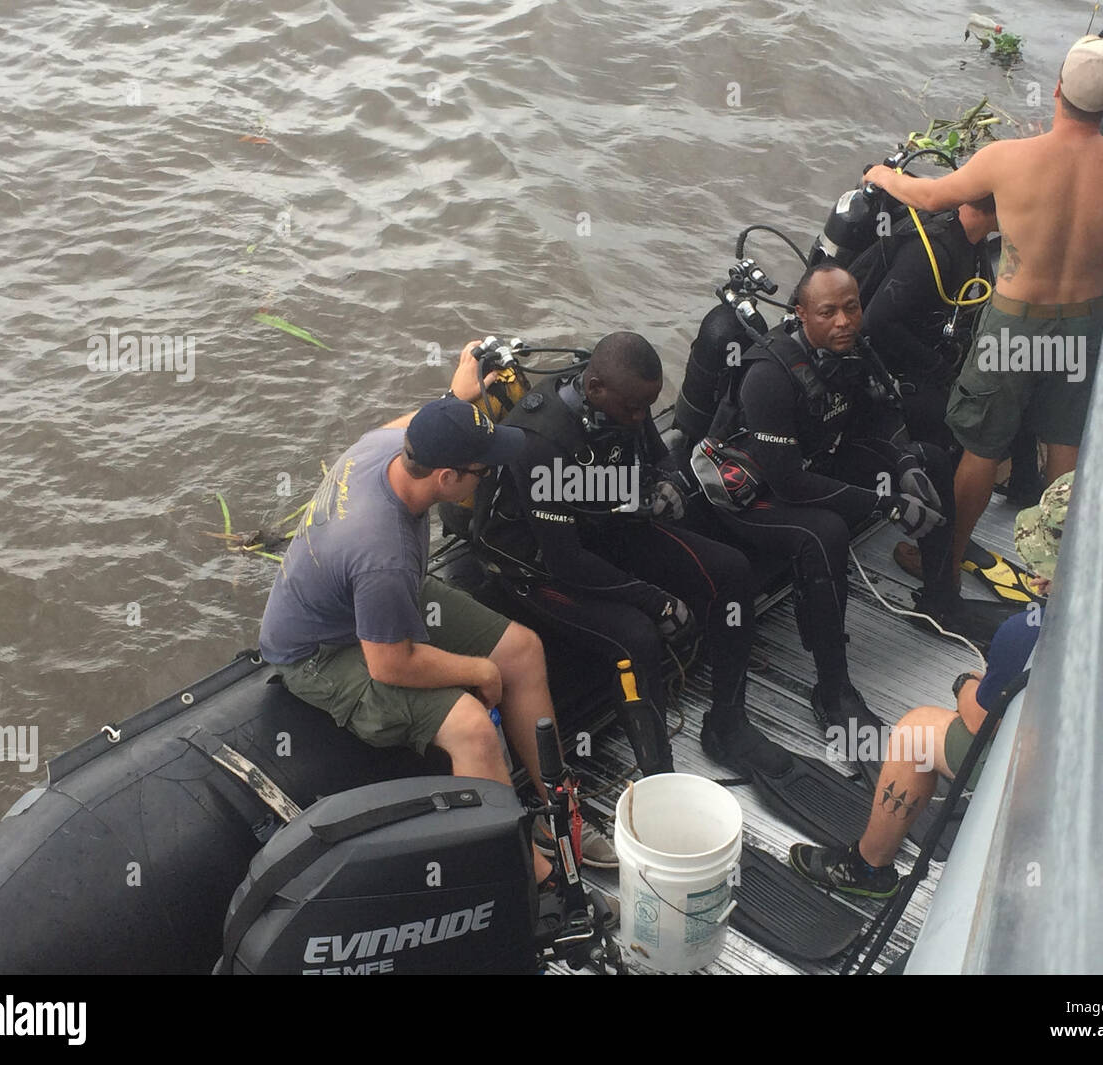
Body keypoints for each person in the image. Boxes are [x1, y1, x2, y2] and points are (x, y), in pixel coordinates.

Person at [258, 346, 616, 881]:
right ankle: (526, 876)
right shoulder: (384, 554)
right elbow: (390, 665)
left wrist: (461, 395)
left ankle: (556, 812)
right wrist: (478, 672)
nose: (487, 476)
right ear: (447, 479)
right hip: (321, 653)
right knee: (472, 728)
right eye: (481, 469)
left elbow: (423, 420)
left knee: (522, 648)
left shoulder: (387, 446)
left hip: (360, 601)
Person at [693, 262, 1008, 784]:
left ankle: (940, 599)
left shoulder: (853, 349)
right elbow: (790, 484)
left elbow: (883, 415)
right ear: (801, 314)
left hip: (814, 461)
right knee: (825, 532)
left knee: (930, 458)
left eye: (852, 307)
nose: (844, 321)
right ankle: (832, 689)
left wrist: (904, 466)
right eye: (828, 312)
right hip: (751, 494)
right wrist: (885, 505)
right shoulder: (769, 375)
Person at [861, 36, 1103, 594]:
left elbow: (935, 197)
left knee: (981, 447)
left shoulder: (1008, 158)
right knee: (1065, 444)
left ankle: (944, 565)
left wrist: (883, 176)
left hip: (1014, 324)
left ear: (1058, 88)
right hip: (1081, 324)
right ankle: (1054, 575)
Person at [474, 332, 791, 778]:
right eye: (633, 409)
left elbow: (660, 459)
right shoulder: (540, 441)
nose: (642, 417)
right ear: (595, 388)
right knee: (637, 634)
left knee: (732, 570)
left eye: (648, 407)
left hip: (601, 524)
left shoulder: (625, 404)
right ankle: (659, 776)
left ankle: (728, 722)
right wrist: (655, 600)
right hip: (539, 564)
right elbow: (566, 563)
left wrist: (666, 484)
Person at [789, 473, 1072, 897]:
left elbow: (981, 722)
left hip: (1051, 775)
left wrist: (965, 685)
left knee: (915, 732)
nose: (1036, 576)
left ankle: (868, 868)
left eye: (1045, 564)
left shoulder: (1026, 633)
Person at [854, 197, 997, 454]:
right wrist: (941, 370)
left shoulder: (973, 242)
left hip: (924, 348)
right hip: (881, 365)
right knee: (961, 424)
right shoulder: (930, 252)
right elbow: (876, 322)